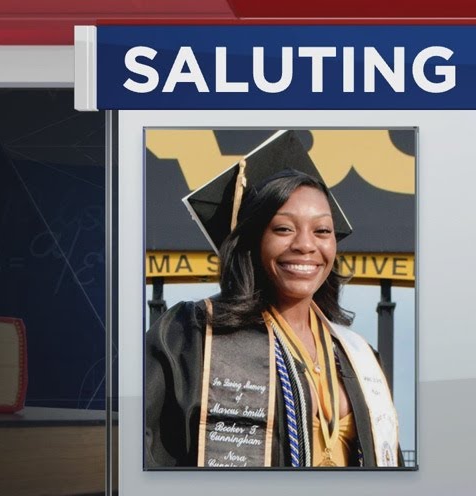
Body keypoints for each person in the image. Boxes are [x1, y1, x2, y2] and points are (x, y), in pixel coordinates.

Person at [145, 131, 400, 468]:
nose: (306, 245)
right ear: (252, 240)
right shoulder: (191, 335)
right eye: (283, 229)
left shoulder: (358, 355)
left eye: (322, 231)